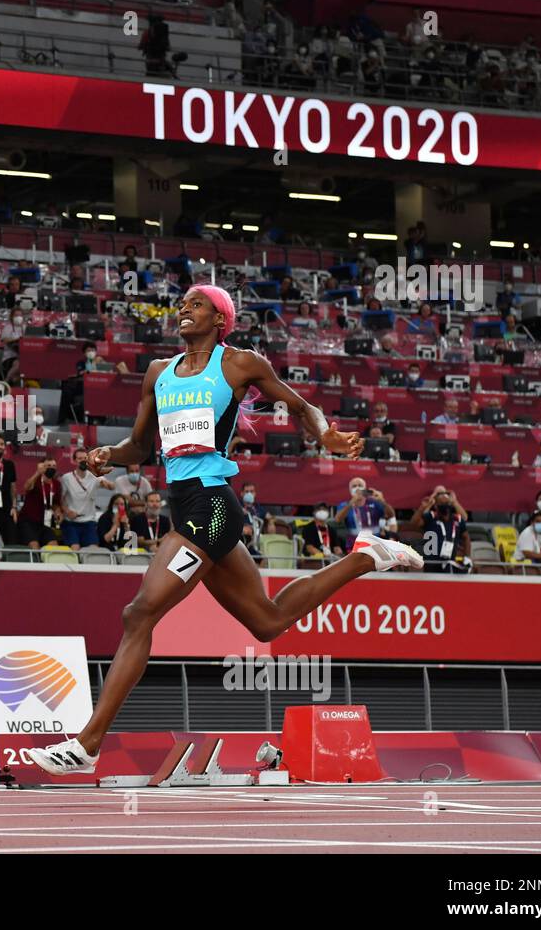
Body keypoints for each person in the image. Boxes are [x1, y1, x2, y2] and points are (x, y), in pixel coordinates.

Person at [27, 284, 423, 775]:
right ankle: (366, 555)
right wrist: (107, 456)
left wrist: (325, 436)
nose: (183, 309)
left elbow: (299, 406)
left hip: (213, 506)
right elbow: (139, 446)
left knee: (138, 614)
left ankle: (87, 744)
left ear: (221, 319)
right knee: (268, 621)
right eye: (182, 304)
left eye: (196, 304)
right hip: (183, 505)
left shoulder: (239, 364)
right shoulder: (158, 374)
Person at [60, 447, 114, 550]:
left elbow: (112, 487)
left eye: (85, 458)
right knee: (75, 548)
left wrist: (106, 483)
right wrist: (67, 511)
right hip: (71, 522)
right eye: (80, 458)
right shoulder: (67, 478)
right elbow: (60, 500)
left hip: (89, 522)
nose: (83, 460)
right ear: (74, 460)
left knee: (93, 549)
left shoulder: (94, 475)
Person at [408, 485, 470, 573]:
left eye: (445, 494)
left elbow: (466, 536)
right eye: (439, 494)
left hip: (449, 561)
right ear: (436, 505)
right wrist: (423, 507)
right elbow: (413, 524)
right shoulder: (431, 516)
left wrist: (467, 556)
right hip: (431, 561)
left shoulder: (457, 519)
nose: (443, 496)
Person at [17, 458, 62, 549]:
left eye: (54, 466)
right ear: (43, 467)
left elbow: (55, 503)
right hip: (28, 522)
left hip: (45, 522)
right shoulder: (36, 480)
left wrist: (58, 511)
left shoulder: (56, 484)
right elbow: (26, 487)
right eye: (48, 466)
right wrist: (38, 473)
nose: (51, 468)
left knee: (54, 545)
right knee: (34, 546)